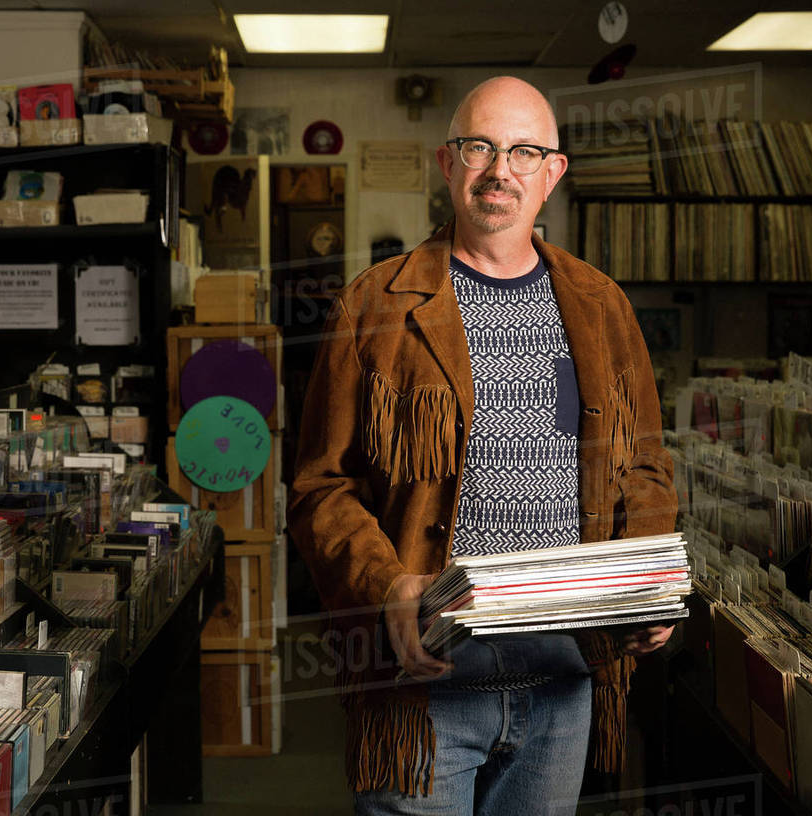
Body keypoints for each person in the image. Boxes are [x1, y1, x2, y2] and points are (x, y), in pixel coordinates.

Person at [288, 76, 678, 815]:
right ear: (448, 163)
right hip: (425, 692)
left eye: (525, 151)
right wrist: (386, 586)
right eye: (481, 147)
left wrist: (647, 576)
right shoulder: (376, 304)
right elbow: (320, 488)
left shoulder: (601, 307)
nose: (501, 169)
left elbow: (645, 467)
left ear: (552, 173)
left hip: (564, 690)